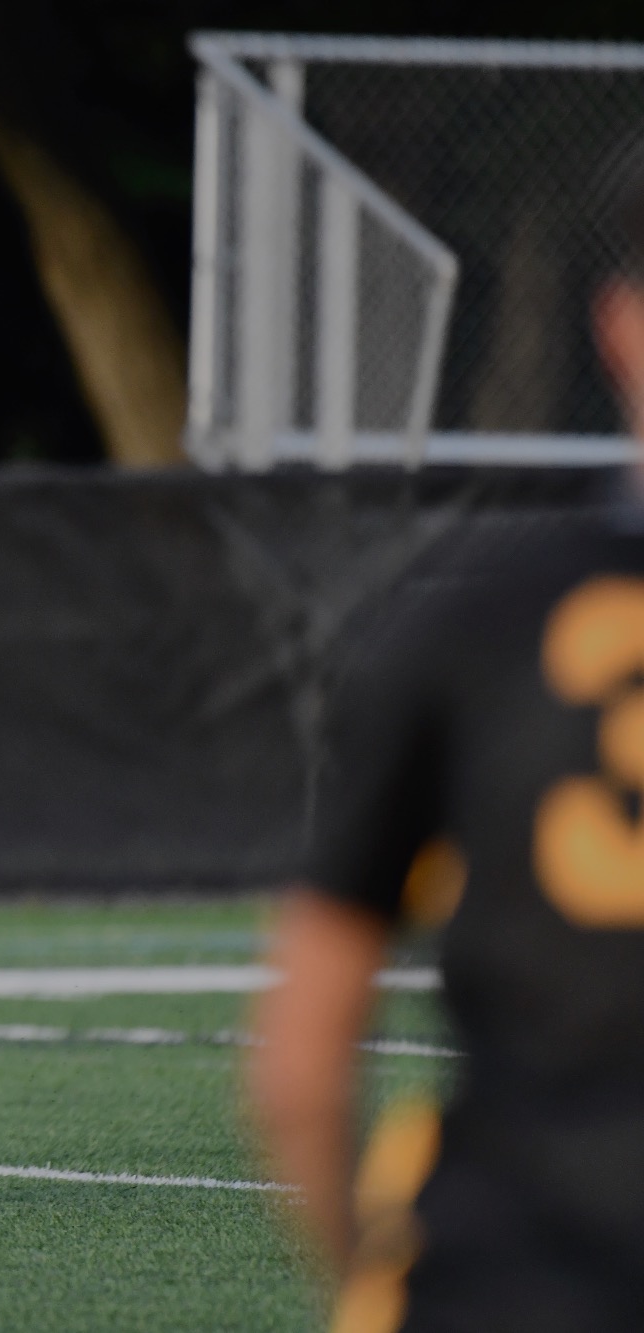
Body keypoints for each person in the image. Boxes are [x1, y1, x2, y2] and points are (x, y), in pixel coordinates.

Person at [251, 152, 644, 1331]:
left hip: (507, 1270)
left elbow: (299, 1058)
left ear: (616, 330)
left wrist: (364, 1278)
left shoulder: (469, 622)